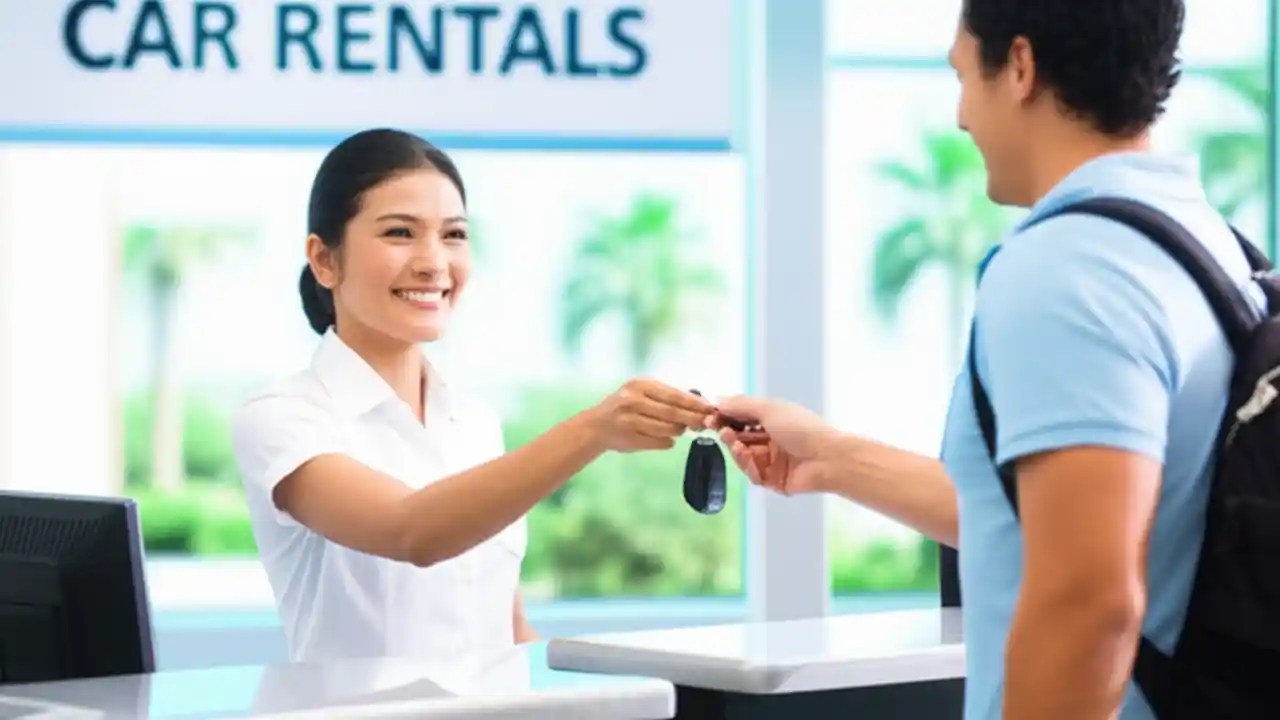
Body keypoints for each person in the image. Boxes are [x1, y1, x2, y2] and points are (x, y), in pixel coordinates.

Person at [709, 1, 1269, 718]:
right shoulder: (1210, 252)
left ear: (1021, 67)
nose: (962, 115)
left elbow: (1087, 599)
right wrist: (830, 458)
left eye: (963, 75)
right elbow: (1088, 524)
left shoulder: (1069, 266)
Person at [231, 128, 713, 679]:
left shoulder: (475, 423)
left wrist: (628, 693)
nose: (434, 262)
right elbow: (411, 531)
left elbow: (506, 634)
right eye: (399, 233)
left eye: (454, 235)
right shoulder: (283, 416)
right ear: (324, 260)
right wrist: (594, 431)